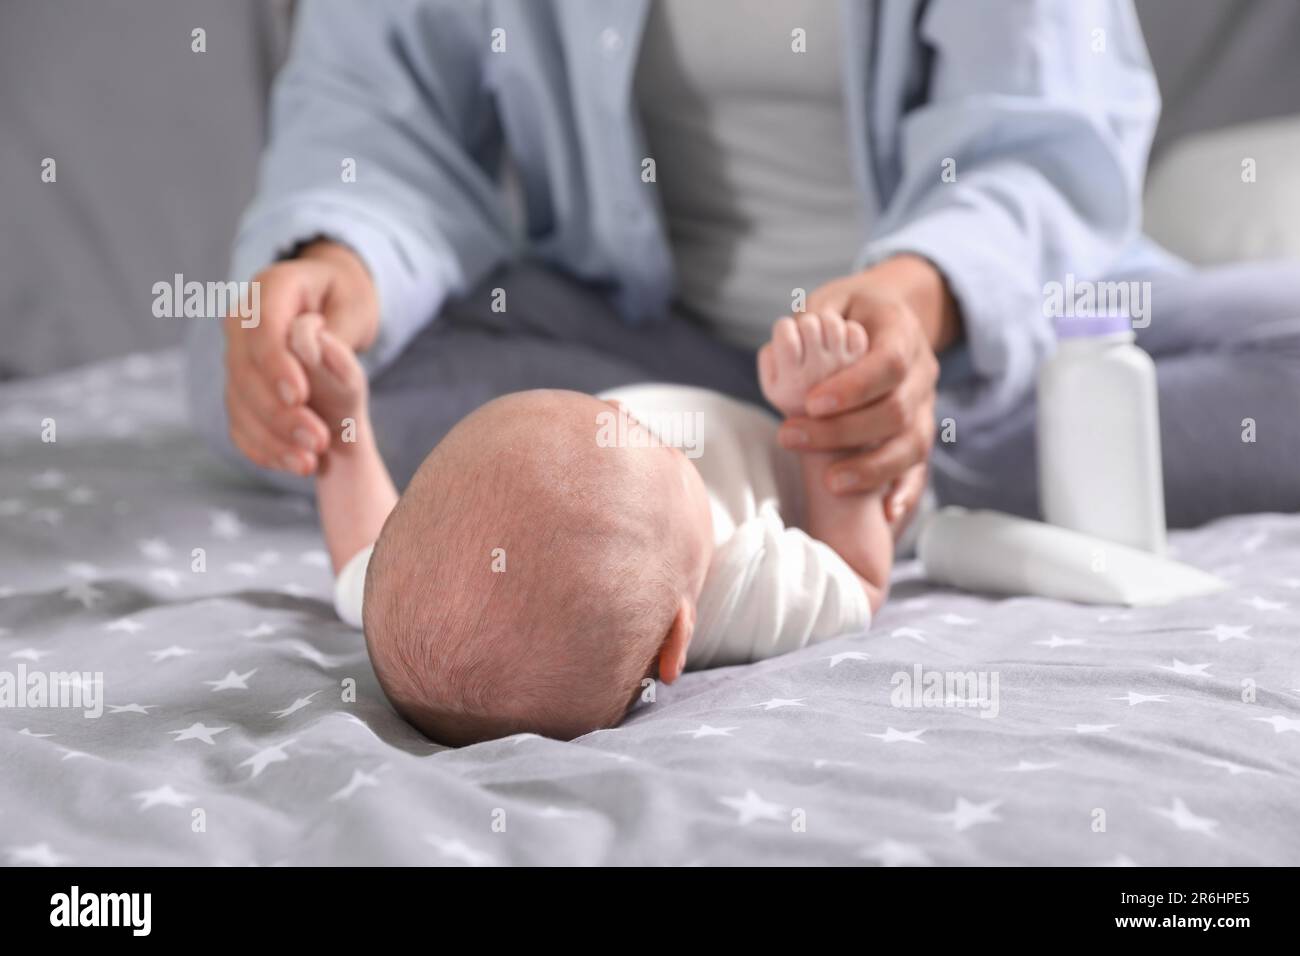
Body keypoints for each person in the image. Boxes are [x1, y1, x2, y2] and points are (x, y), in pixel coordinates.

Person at [189, 0, 1300, 555]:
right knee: (268, 362)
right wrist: (340, 259)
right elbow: (378, 121)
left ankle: (684, 482)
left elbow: (1043, 143)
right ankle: (822, 479)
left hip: (985, 345)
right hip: (644, 341)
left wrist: (914, 299)